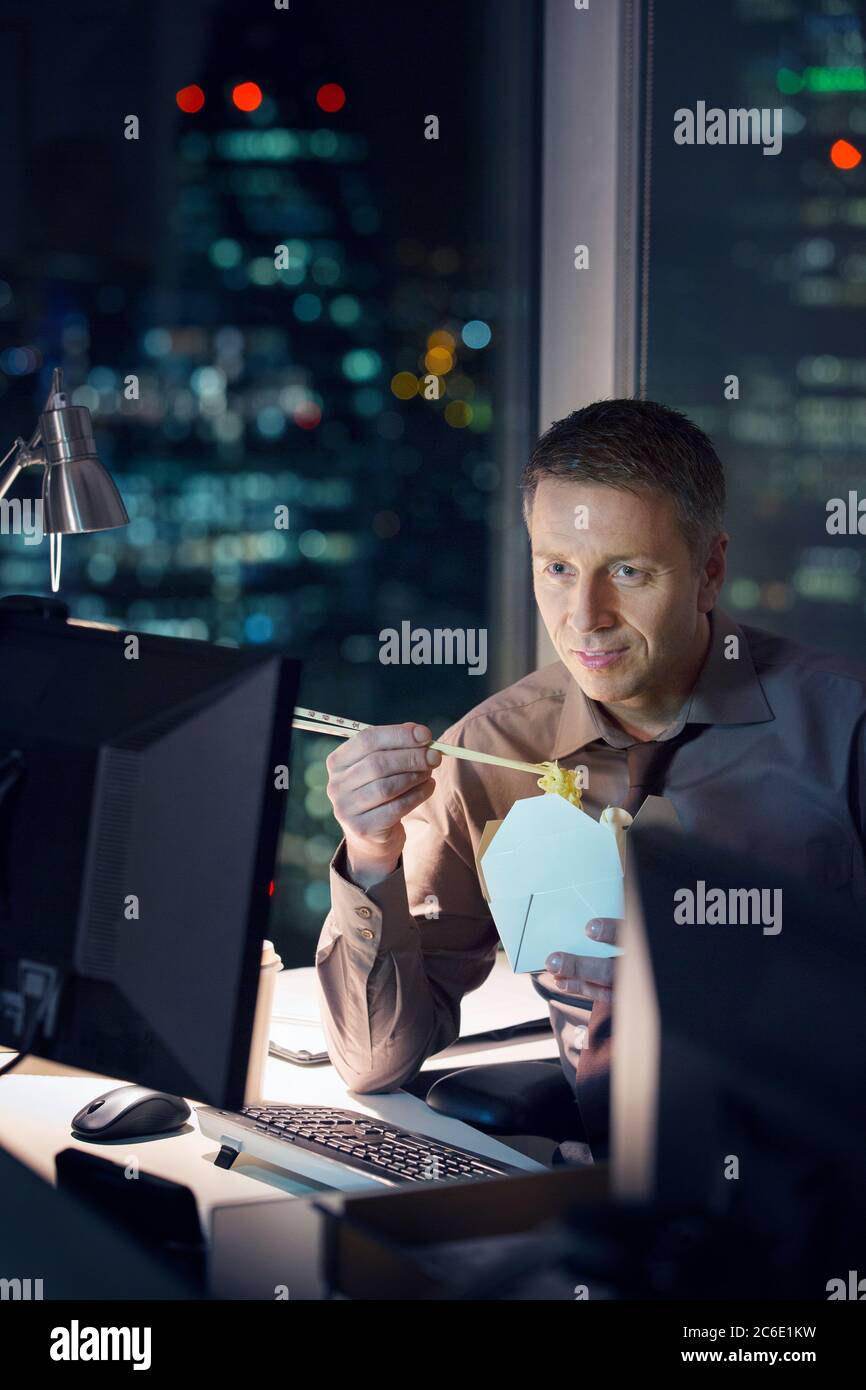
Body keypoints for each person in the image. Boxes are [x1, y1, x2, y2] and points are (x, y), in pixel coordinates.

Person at [315, 398, 866, 1157]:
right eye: (558, 569)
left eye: (628, 572)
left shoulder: (847, 730)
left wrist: (751, 994)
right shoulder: (492, 749)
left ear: (709, 572)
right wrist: (371, 856)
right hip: (605, 1191)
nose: (584, 617)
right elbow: (373, 1061)